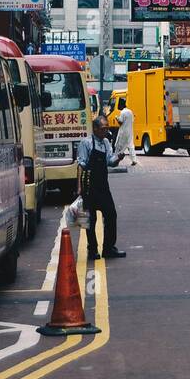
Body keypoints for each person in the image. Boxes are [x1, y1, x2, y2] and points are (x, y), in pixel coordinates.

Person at [77, 116, 127, 259]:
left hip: (103, 185)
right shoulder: (86, 143)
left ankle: (109, 248)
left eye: (107, 128)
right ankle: (92, 250)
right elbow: (81, 165)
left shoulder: (106, 143)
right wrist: (79, 187)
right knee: (90, 220)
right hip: (89, 185)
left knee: (111, 214)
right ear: (95, 129)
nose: (106, 131)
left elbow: (109, 162)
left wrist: (118, 158)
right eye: (103, 128)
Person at [113, 97, 138, 167]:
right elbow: (132, 120)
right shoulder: (130, 111)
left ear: (121, 105)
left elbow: (120, 122)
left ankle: (115, 160)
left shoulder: (122, 112)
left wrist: (116, 118)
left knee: (118, 146)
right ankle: (134, 160)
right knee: (131, 146)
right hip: (130, 131)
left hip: (123, 132)